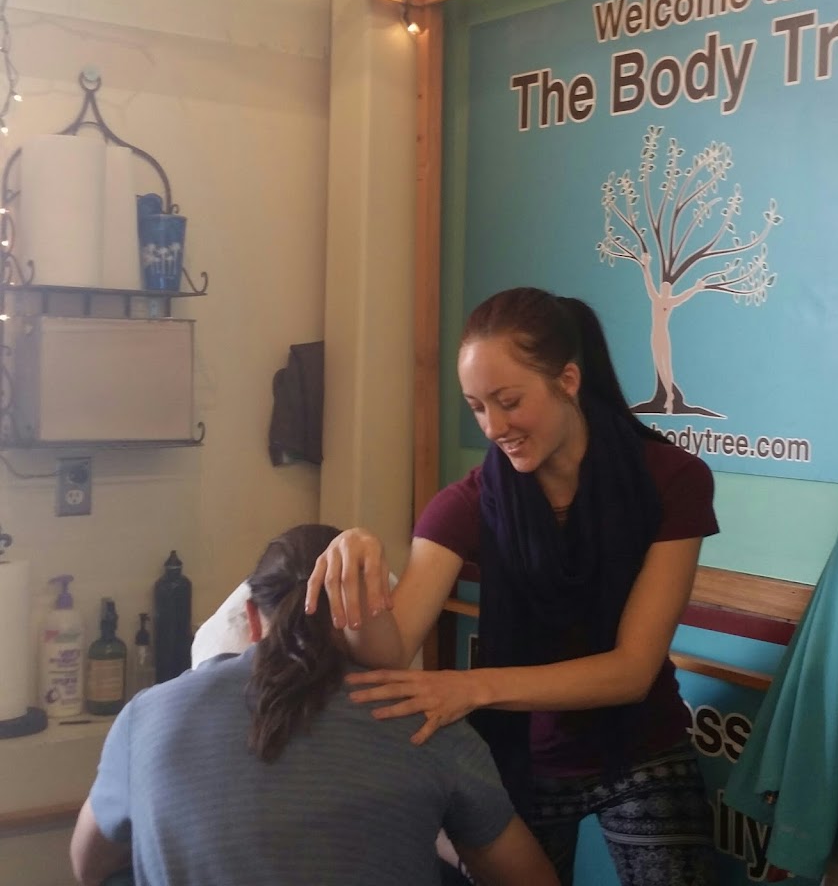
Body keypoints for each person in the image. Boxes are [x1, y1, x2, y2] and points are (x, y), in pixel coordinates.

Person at [306, 287, 721, 885]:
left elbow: (632, 670)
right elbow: (389, 652)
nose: (494, 427)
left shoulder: (673, 480)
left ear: (569, 380)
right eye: (477, 407)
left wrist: (470, 688)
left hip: (641, 747)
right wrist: (359, 553)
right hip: (519, 759)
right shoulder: (466, 504)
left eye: (508, 401)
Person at [69, 524, 559, 886]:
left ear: (250, 619)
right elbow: (531, 880)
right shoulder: (424, 719)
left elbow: (87, 865)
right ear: (367, 622)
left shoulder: (147, 715)